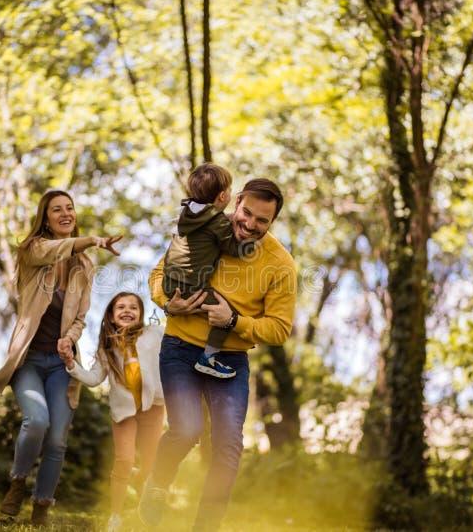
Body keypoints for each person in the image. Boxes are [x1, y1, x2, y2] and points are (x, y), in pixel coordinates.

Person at [140, 177, 297, 531]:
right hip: (180, 346)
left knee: (228, 446)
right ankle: (158, 483)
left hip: (230, 358)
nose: (250, 225)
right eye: (247, 213)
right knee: (187, 429)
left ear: (273, 222)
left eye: (262, 221)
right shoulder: (202, 227)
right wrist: (169, 301)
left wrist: (235, 321)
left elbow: (279, 328)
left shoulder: (280, 263)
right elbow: (159, 273)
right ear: (236, 202)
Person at [0, 189, 122, 526]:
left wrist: (69, 340)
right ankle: (17, 484)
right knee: (37, 422)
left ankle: (41, 509)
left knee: (58, 440)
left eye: (70, 208)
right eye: (56, 210)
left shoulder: (84, 265)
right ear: (45, 219)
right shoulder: (32, 251)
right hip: (28, 361)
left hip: (61, 365)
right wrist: (92, 239)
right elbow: (52, 250)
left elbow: (80, 317)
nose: (65, 214)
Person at [61, 292, 165, 532]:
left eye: (133, 307)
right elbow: (94, 378)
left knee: (151, 465)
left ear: (141, 313)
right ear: (111, 314)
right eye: (121, 307)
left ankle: (144, 503)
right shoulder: (107, 346)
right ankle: (116, 516)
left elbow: (176, 345)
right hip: (124, 412)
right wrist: (71, 364)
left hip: (154, 407)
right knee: (124, 460)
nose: (127, 311)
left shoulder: (155, 334)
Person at [161, 162, 253, 379]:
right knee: (226, 314)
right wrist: (251, 243)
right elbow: (232, 248)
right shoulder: (217, 221)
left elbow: (210, 228)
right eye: (229, 190)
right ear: (222, 196)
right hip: (190, 286)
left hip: (169, 281)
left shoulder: (188, 212)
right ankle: (208, 358)